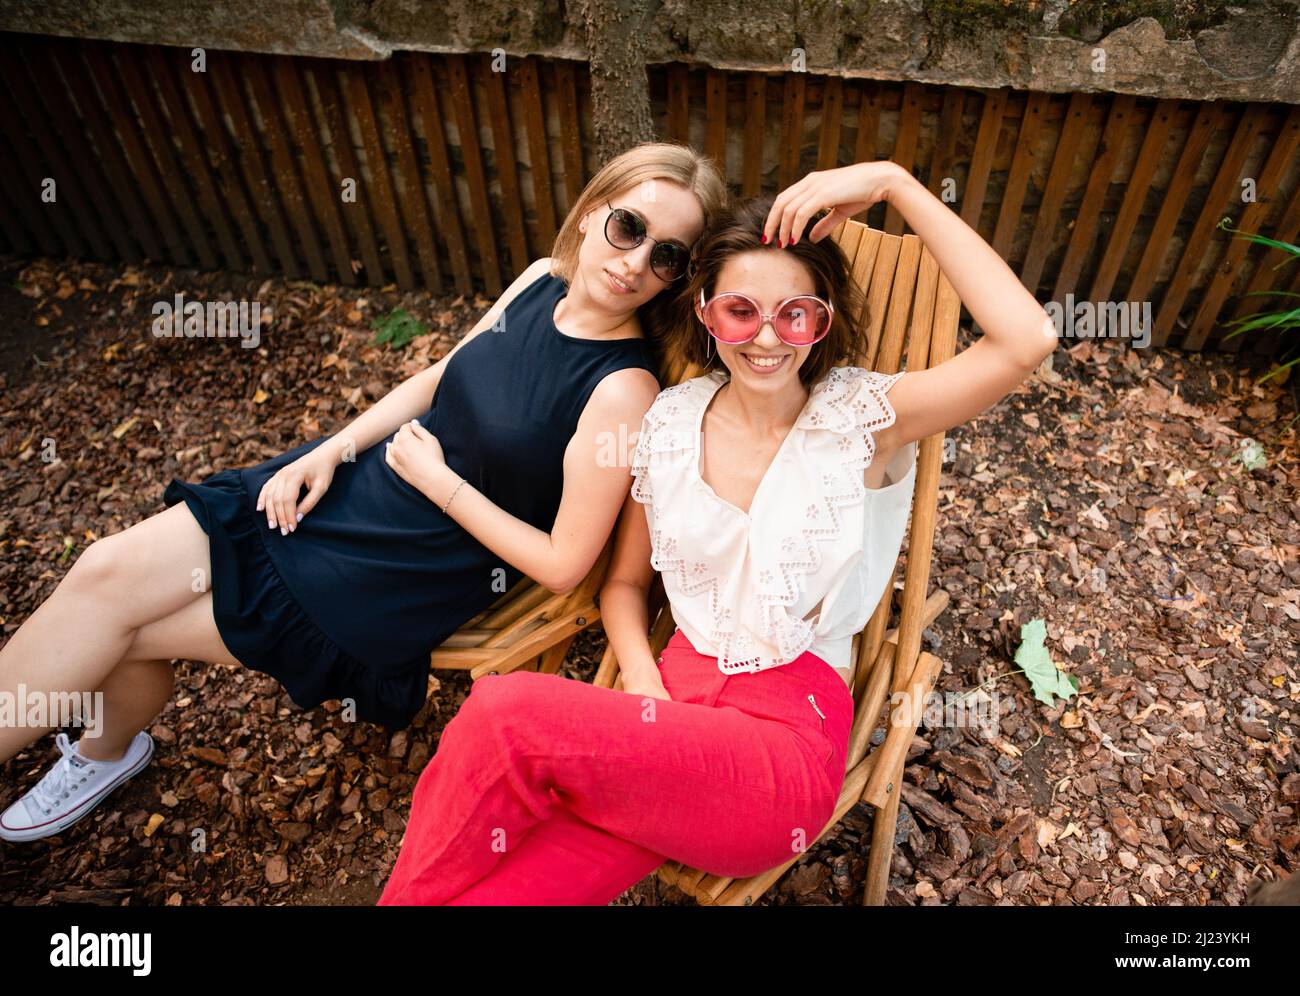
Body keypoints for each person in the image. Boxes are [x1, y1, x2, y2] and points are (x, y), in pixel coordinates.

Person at [0, 142, 727, 844]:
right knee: (101, 573)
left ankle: (104, 753)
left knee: (120, 630)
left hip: (396, 571)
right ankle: (104, 753)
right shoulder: (542, 279)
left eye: (665, 255)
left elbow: (566, 564)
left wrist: (442, 487)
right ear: (594, 209)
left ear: (677, 276)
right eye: (628, 226)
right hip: (361, 485)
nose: (635, 262)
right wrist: (329, 451)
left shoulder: (622, 392)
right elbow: (441, 376)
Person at [375, 160, 1058, 905]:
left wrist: (897, 185)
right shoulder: (667, 424)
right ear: (704, 312)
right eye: (740, 310)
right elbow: (627, 586)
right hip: (666, 722)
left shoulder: (864, 420)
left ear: (823, 322)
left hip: (780, 746)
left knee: (504, 716)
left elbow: (1025, 340)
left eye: (795, 313)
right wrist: (641, 682)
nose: (767, 337)